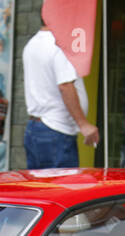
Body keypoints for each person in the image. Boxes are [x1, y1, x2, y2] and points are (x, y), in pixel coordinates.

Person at [21, 4, 99, 169]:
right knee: (62, 189)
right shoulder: (60, 45)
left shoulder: (32, 44)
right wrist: (83, 124)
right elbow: (65, 86)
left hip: (35, 128)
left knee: (38, 190)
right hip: (57, 131)